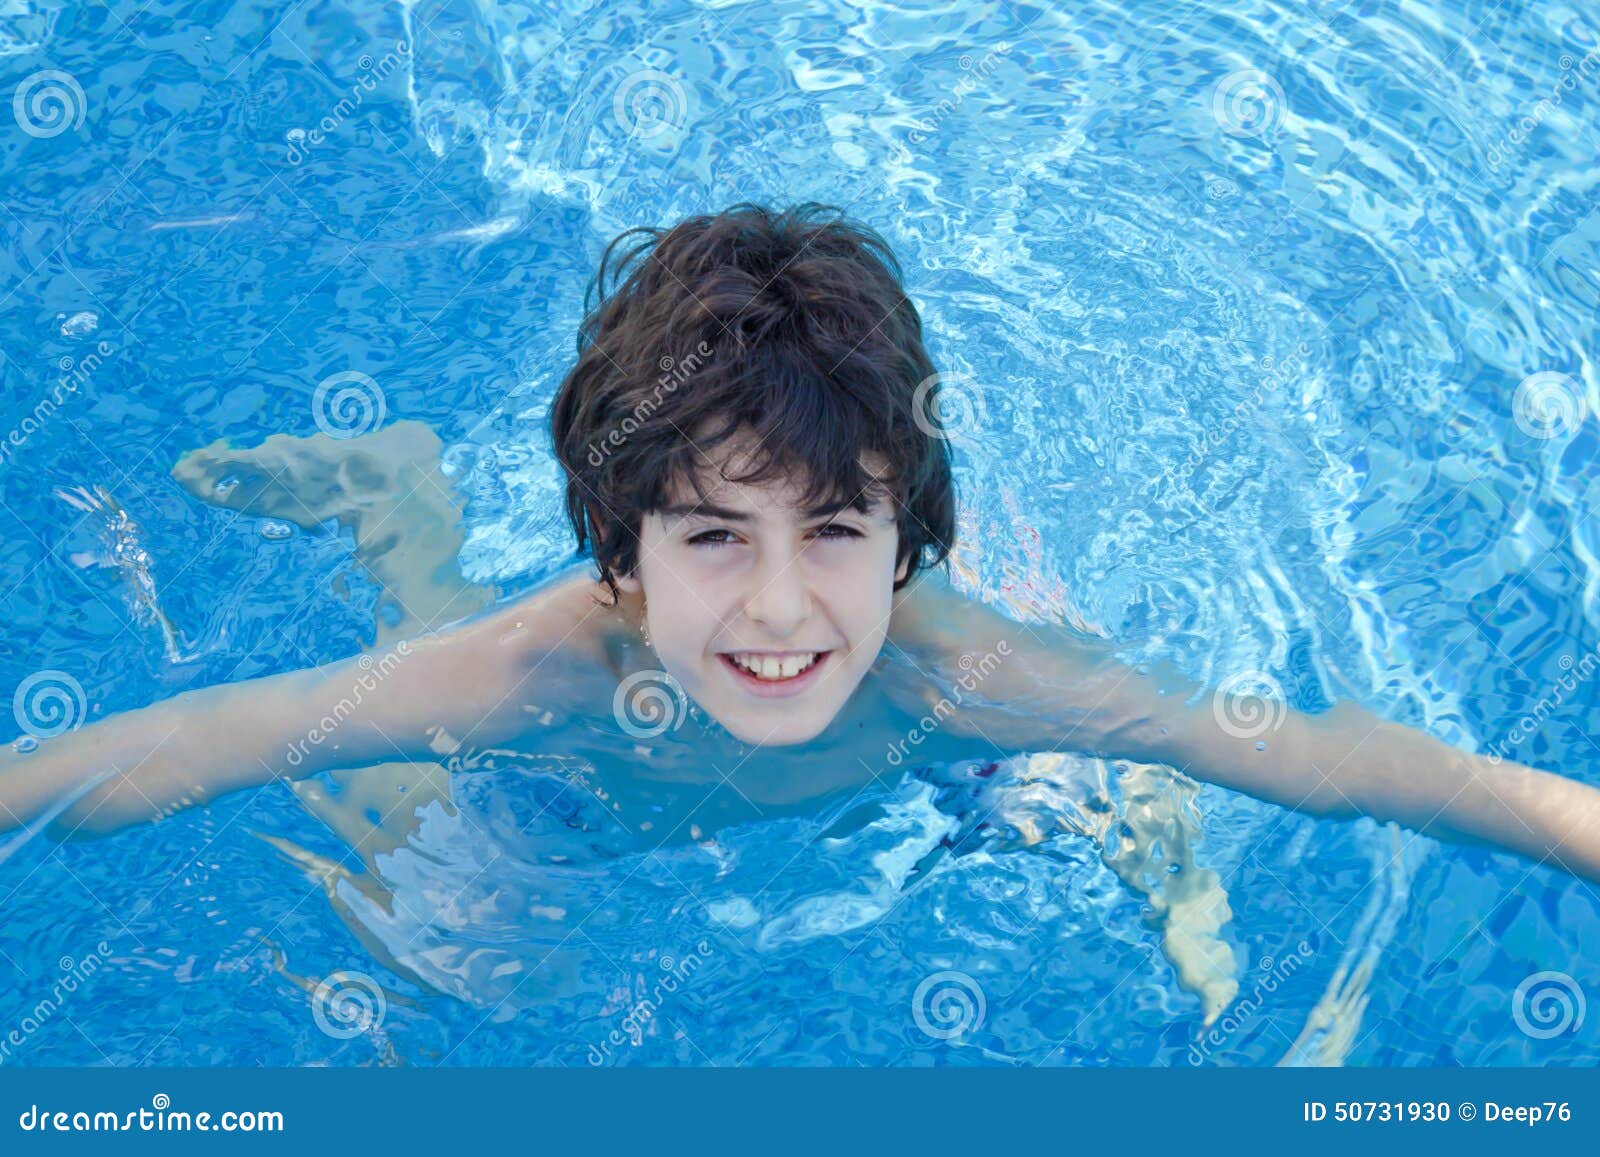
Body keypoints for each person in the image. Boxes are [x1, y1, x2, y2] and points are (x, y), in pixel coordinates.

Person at [4, 201, 1599, 913]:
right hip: (581, 787)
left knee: (1080, 799)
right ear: (621, 553)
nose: (779, 606)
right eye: (711, 536)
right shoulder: (536, 671)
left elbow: (1320, 758)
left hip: (920, 753)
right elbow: (187, 744)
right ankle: (395, 502)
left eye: (835, 531)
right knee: (449, 931)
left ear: (906, 533)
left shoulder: (957, 667)